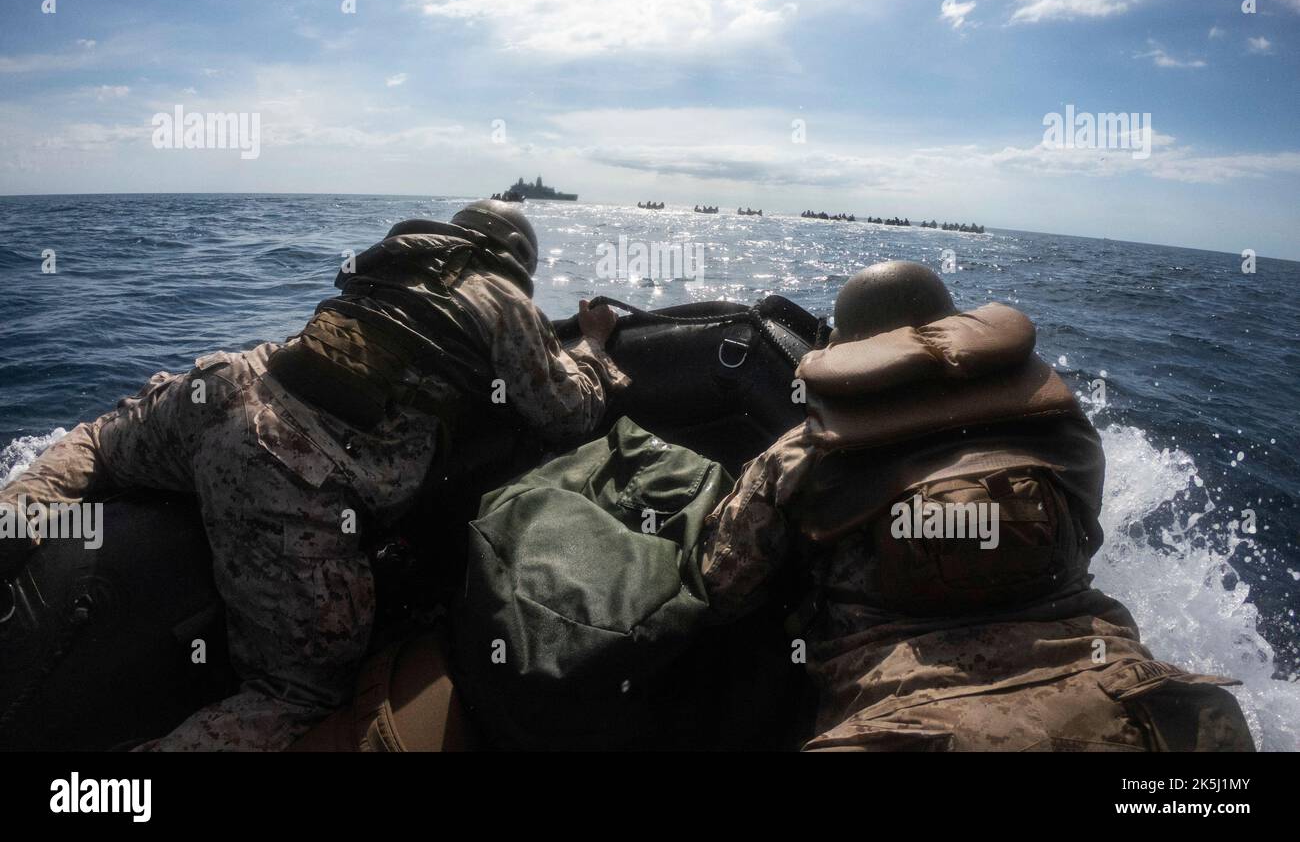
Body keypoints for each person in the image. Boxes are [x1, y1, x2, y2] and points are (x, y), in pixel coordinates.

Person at [0, 200, 626, 750]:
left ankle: (16, 510)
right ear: (518, 261)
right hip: (286, 462)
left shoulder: (396, 260)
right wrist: (595, 346)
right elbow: (568, 414)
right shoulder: (505, 298)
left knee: (99, 444)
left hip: (229, 385)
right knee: (301, 692)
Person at [701, 261, 1253, 752]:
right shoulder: (1064, 430)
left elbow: (724, 585)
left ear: (845, 351)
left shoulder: (801, 454)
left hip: (905, 724)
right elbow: (1085, 540)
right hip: (1140, 708)